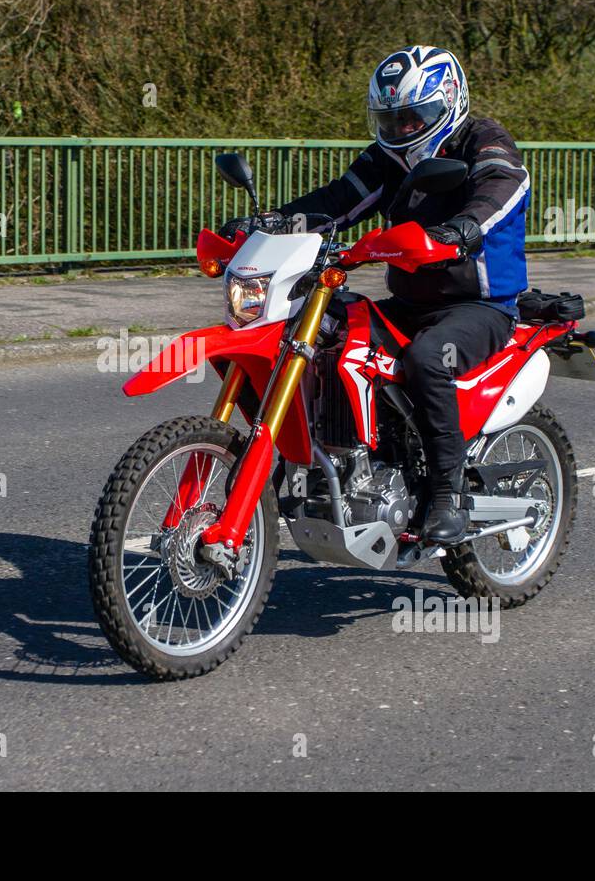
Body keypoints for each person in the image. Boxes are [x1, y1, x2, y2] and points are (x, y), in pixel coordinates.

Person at [222, 45, 530, 544]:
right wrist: (271, 224)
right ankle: (323, 463)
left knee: (429, 358)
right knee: (319, 331)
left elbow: (504, 185)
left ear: (448, 102)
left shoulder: (483, 140)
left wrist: (463, 229)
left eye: (414, 117)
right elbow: (337, 202)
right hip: (407, 305)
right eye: (392, 120)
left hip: (479, 307)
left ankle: (447, 495)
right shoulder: (387, 158)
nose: (403, 129)